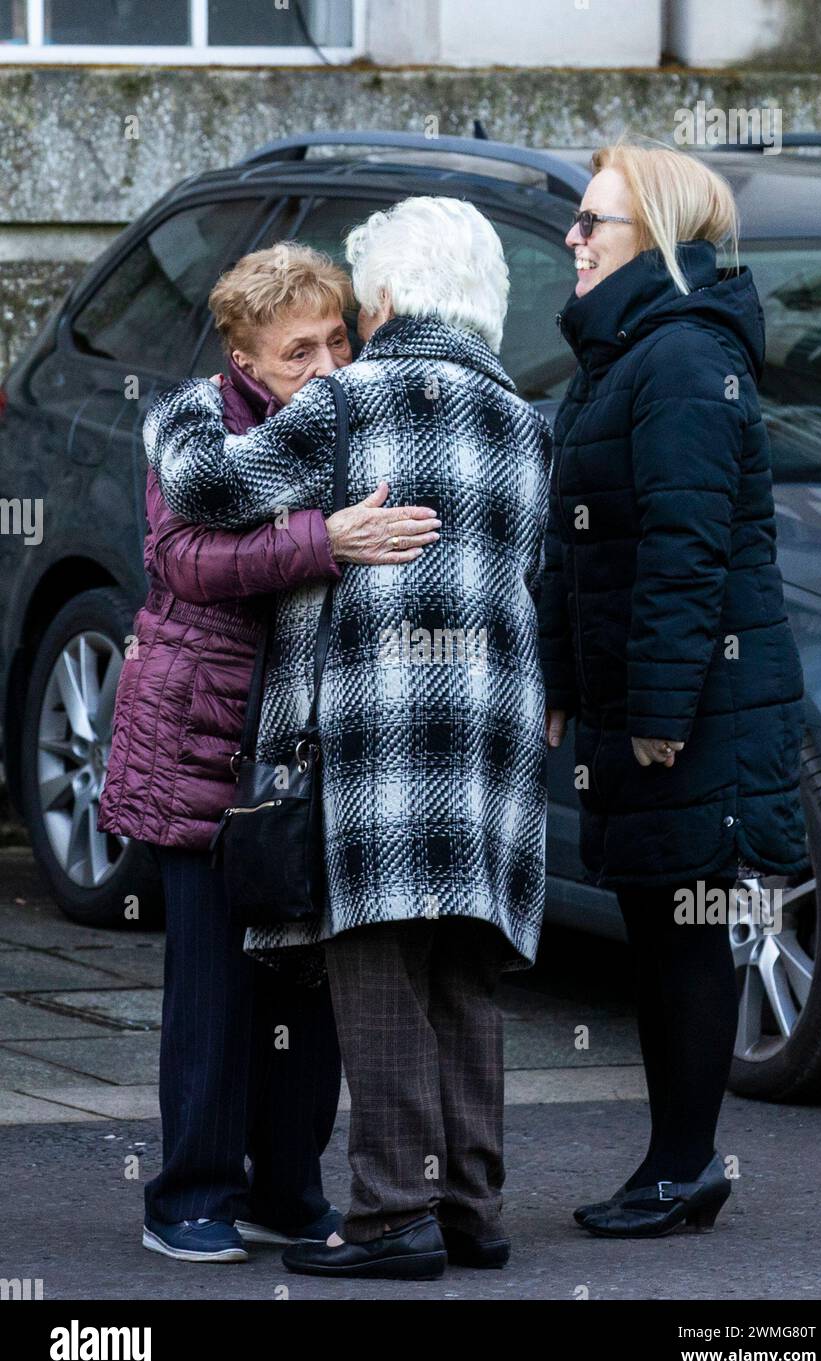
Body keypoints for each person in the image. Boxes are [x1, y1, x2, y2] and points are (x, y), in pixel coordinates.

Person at [144, 195, 553, 1279]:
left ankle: (388, 1219)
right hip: (492, 737)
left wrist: (184, 404)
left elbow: (205, 486)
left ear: (380, 298)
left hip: (380, 740)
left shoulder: (349, 402)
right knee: (466, 976)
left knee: (375, 972)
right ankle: (471, 1209)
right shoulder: (522, 417)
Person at [98, 241, 441, 1262]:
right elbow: (182, 560)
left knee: (305, 988)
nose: (327, 365)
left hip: (308, 741)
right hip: (205, 734)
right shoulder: (195, 423)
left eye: (338, 337)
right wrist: (319, 542)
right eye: (298, 351)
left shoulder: (351, 409)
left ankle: (285, 1188)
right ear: (242, 355)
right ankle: (188, 1194)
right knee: (211, 987)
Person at [539, 141, 808, 1239]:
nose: (572, 236)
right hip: (641, 704)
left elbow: (683, 555)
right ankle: (671, 1161)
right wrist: (564, 681)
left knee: (684, 928)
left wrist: (653, 713)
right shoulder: (623, 356)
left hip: (690, 711)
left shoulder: (681, 361)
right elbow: (575, 547)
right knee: (657, 928)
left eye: (592, 222)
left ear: (650, 236)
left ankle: (684, 1167)